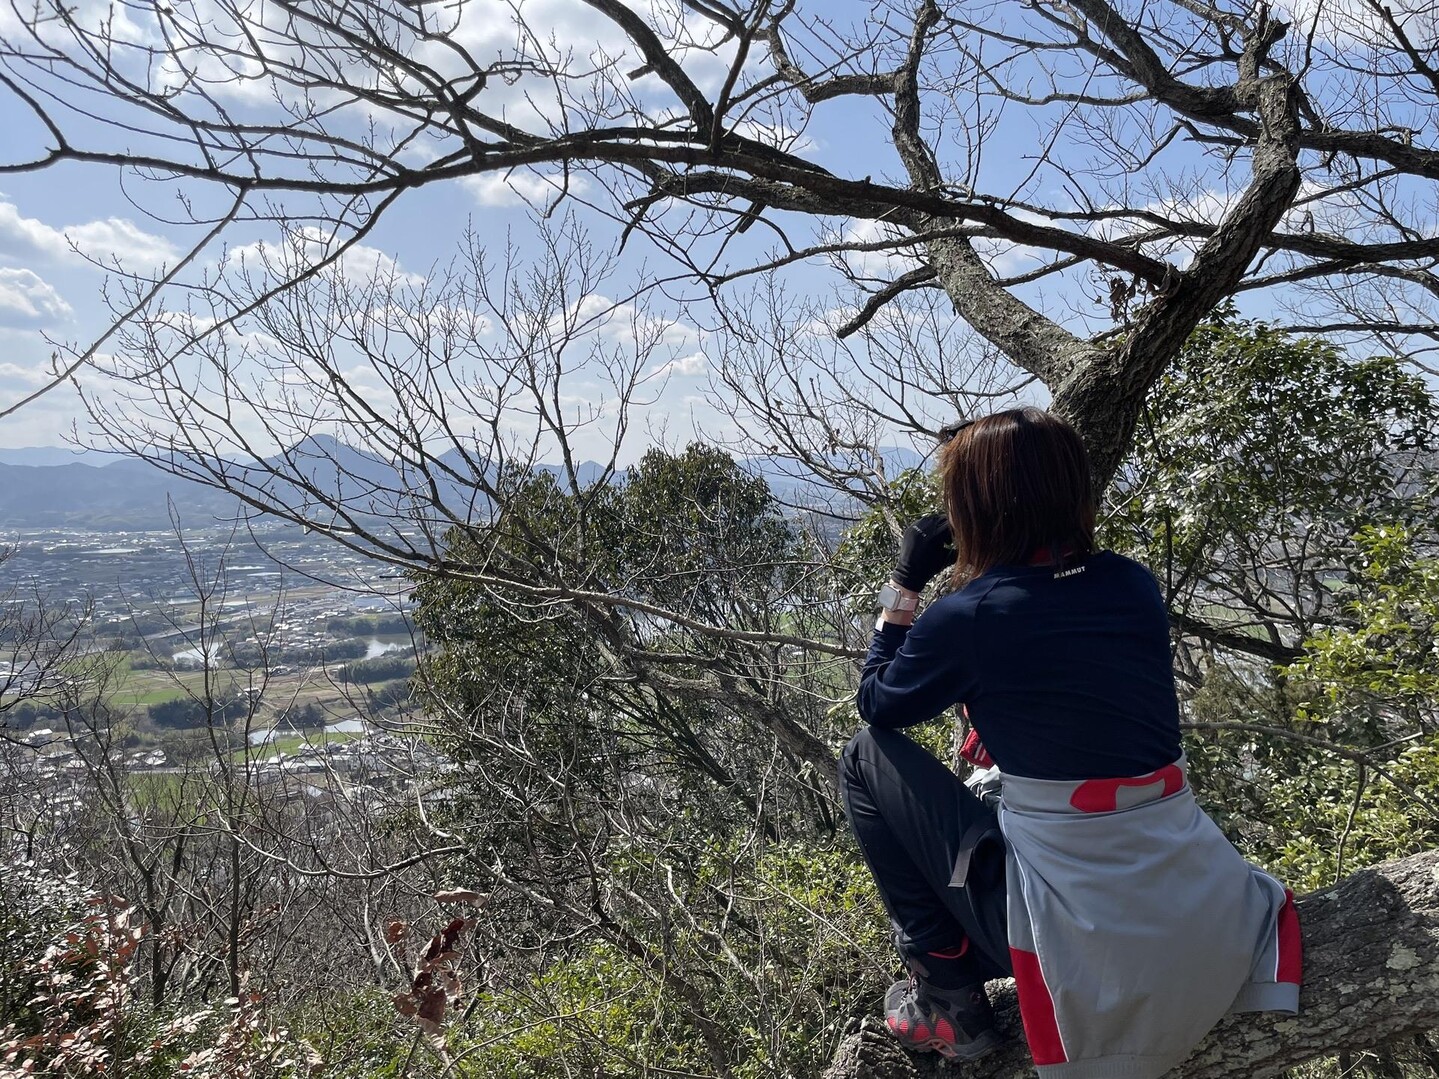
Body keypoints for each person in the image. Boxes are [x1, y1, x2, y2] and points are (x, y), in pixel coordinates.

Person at [841, 407, 1301, 1078]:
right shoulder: (1129, 584)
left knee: (863, 755)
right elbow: (1087, 703)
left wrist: (905, 584)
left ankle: (948, 995)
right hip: (1193, 897)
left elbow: (877, 702)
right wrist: (1009, 730)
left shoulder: (969, 615)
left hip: (1070, 927)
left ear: (977, 504)